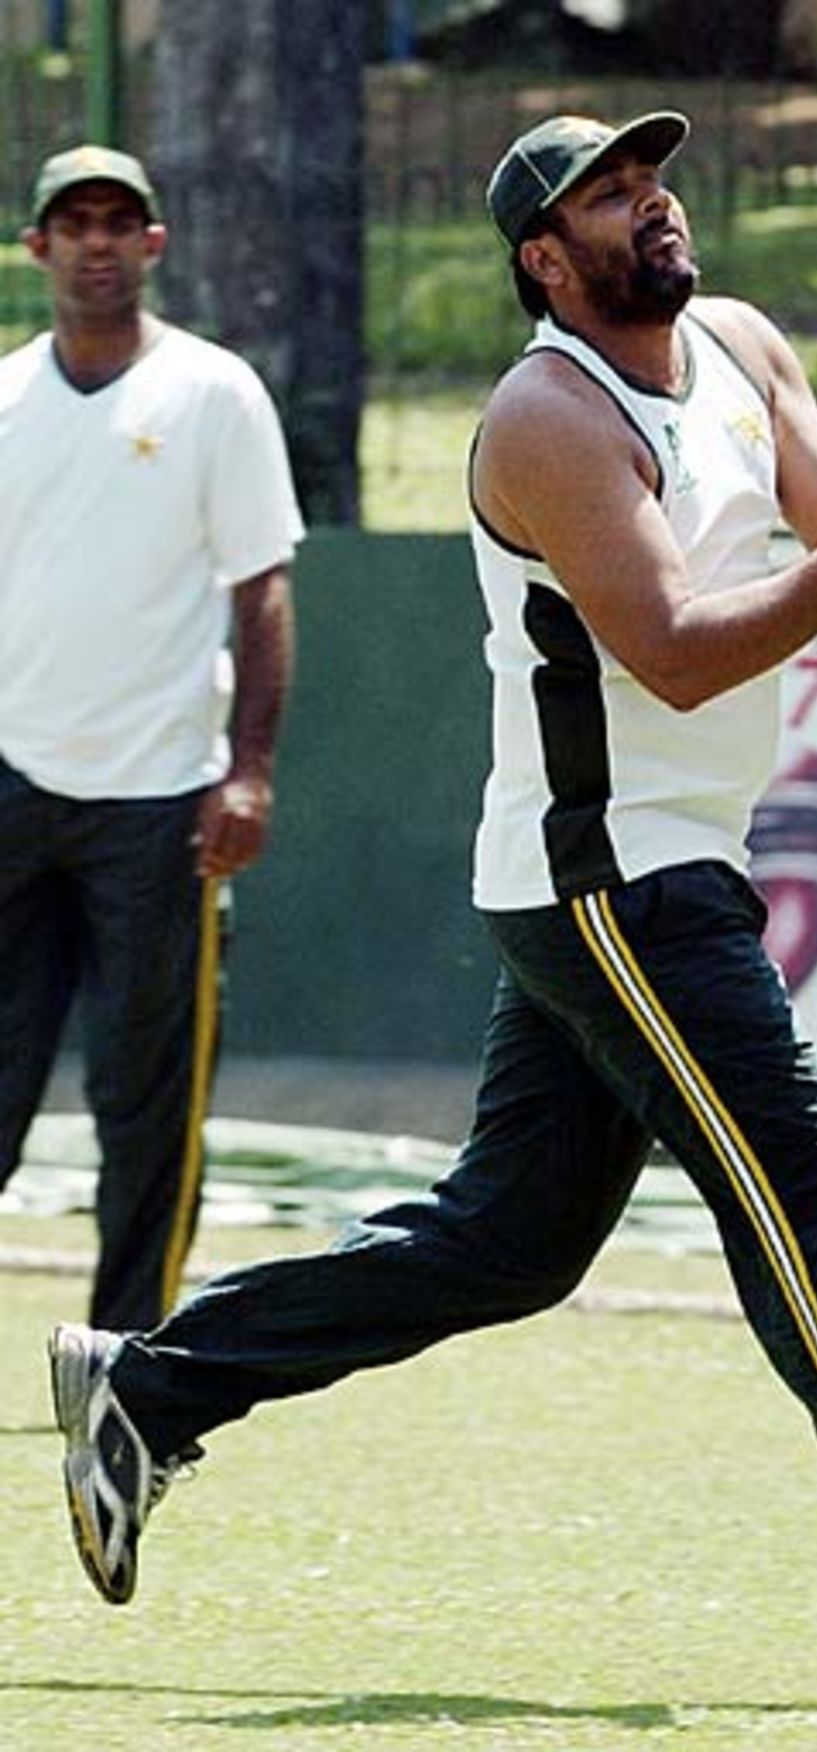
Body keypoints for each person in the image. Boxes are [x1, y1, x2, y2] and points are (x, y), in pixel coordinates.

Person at [46, 113, 817, 1704]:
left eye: (652, 180)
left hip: (642, 870)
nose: (654, 206)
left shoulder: (744, 343)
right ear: (545, 262)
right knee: (808, 1191)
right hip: (614, 880)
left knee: (509, 1243)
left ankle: (154, 1389)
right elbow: (680, 650)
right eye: (612, 198)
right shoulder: (546, 417)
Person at [1, 145, 302, 1329]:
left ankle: (126, 1360)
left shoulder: (214, 393)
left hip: (163, 806)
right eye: (74, 223)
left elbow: (261, 587)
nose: (98, 243)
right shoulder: (6, 399)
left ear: (154, 243)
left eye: (119, 223)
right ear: (37, 247)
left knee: (148, 1106)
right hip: (13, 788)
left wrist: (250, 772)